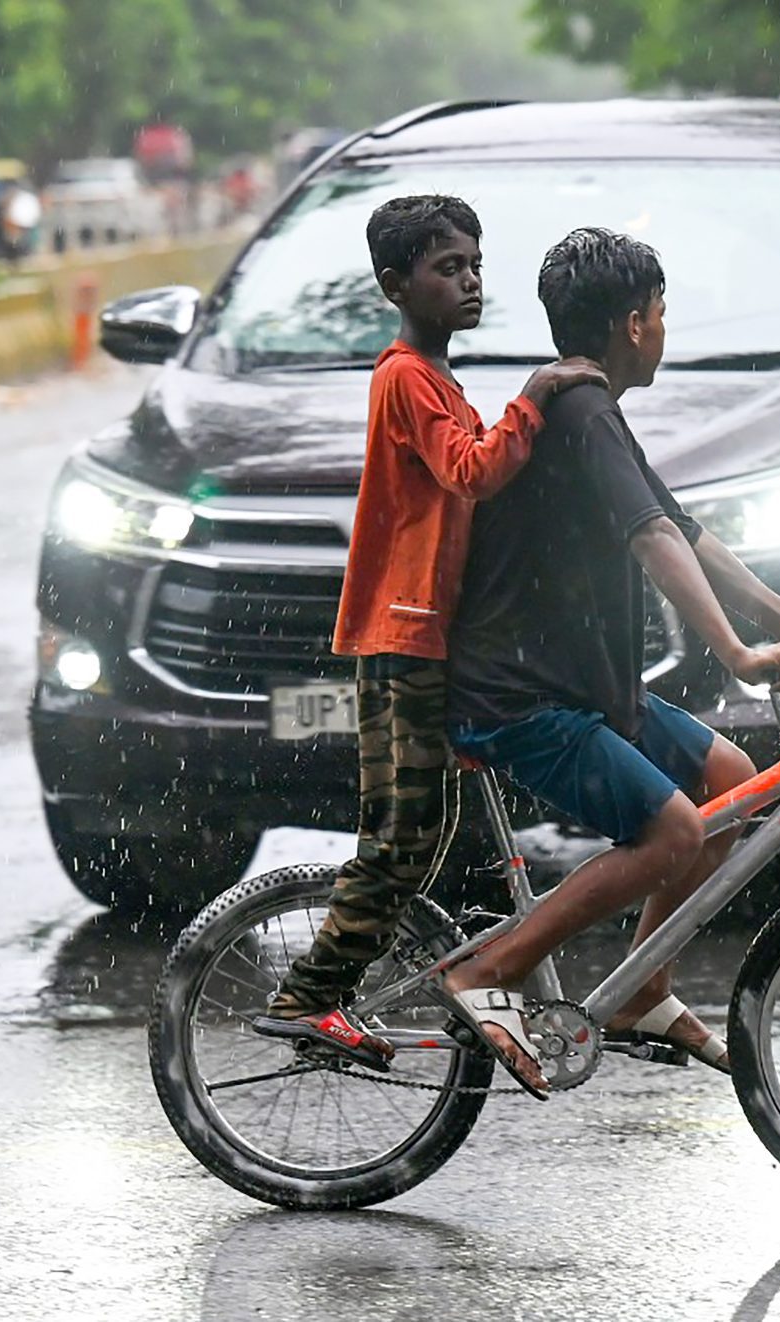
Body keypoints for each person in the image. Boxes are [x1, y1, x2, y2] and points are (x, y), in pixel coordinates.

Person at [440, 228, 780, 1096]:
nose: (665, 328)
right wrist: (736, 653)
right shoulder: (581, 413)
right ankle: (489, 971)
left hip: (584, 684)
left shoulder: (596, 409)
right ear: (633, 323)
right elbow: (653, 535)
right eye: (661, 313)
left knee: (730, 784)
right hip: (522, 695)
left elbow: (685, 528)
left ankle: (642, 988)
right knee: (675, 832)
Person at [251, 195, 605, 1065]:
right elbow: (474, 469)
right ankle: (311, 996)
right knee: (402, 833)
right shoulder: (405, 377)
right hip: (399, 640)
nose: (471, 281)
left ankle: (435, 958)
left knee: (430, 830)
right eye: (449, 269)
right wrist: (536, 392)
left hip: (431, 642)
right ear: (394, 285)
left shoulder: (435, 381)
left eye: (476, 265)